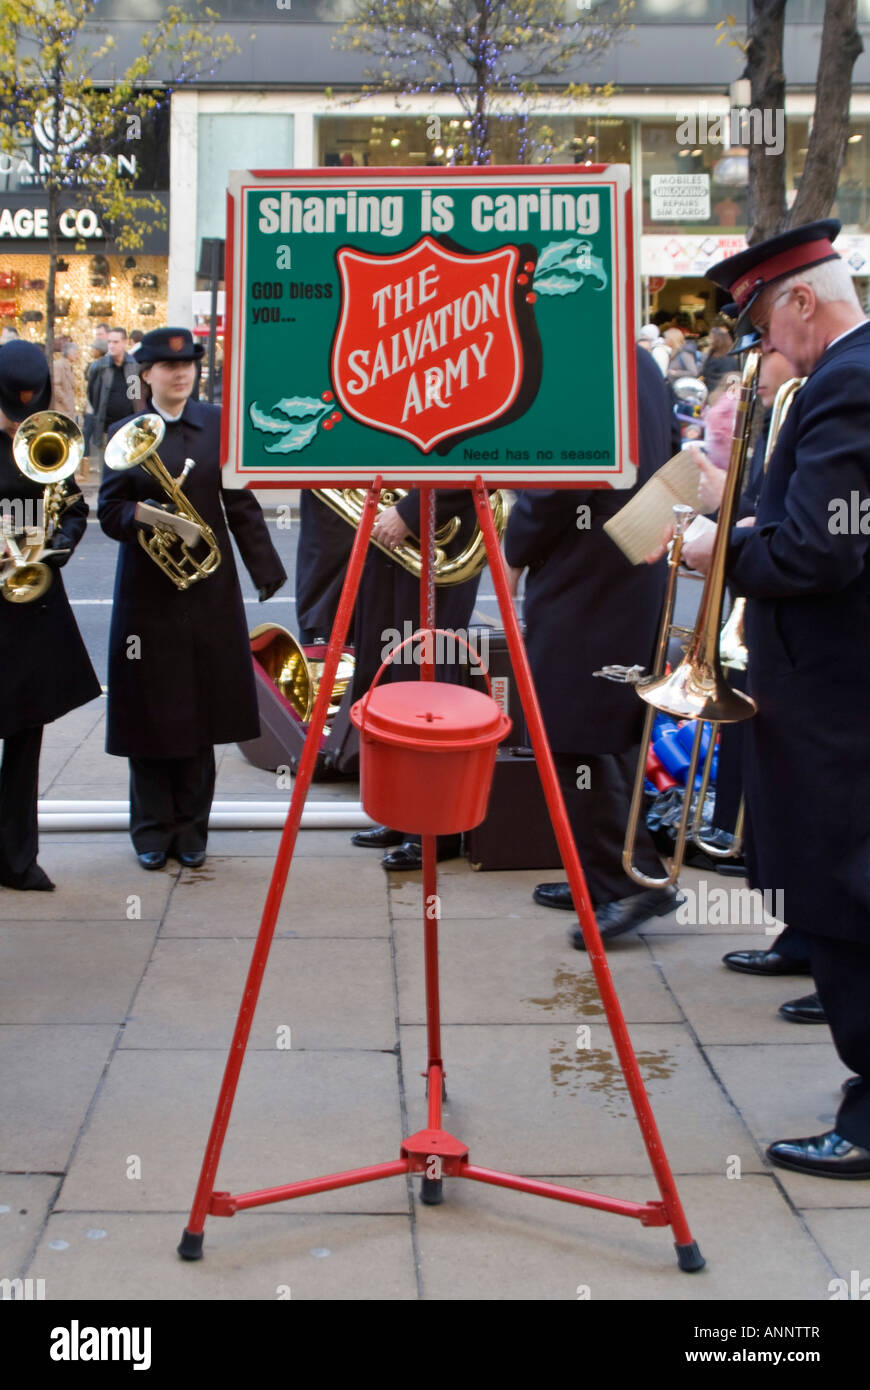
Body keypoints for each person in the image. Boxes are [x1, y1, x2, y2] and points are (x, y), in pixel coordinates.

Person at [682, 219, 870, 1177]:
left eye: (761, 320)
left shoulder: (844, 380)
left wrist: (721, 549)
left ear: (802, 299)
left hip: (837, 698)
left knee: (844, 900)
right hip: (842, 687)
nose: (758, 344)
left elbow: (818, 552)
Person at [504, 347, 679, 946]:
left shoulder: (588, 362)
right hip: (626, 560)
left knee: (575, 730)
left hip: (590, 573)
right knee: (610, 726)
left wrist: (514, 551)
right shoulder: (641, 361)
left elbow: (559, 480)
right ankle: (613, 873)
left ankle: (623, 886)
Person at [98, 327, 287, 870]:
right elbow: (110, 512)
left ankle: (192, 829)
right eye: (168, 367)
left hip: (208, 590)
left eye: (189, 367)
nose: (181, 374)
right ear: (148, 373)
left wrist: (265, 569)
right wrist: (150, 517)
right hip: (148, 595)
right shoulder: (124, 433)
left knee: (201, 710)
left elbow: (240, 503)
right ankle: (152, 830)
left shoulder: (218, 427)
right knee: (150, 712)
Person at [0, 341, 101, 890]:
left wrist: (56, 545)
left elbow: (76, 507)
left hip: (30, 603)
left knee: (25, 735)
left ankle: (17, 859)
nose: (19, 423)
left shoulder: (47, 437)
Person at [349, 488, 482, 871]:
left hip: (442, 539)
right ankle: (403, 815)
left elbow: (466, 458)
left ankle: (433, 831)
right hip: (395, 541)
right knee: (387, 682)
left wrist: (410, 510)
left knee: (427, 693)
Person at [89, 327, 142, 459]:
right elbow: (92, 394)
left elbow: (135, 397)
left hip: (128, 430)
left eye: (116, 342)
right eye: (109, 342)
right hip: (106, 428)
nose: (111, 346)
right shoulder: (100, 367)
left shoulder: (134, 366)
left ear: (124, 342)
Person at [700, 320, 739, 393]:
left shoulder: (728, 359)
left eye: (711, 338)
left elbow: (727, 380)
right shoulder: (711, 354)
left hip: (719, 395)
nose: (710, 340)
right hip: (709, 393)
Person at [51, 339, 79, 419]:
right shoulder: (58, 365)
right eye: (75, 353)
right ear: (69, 353)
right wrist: (65, 400)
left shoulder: (69, 366)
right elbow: (55, 386)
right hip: (61, 408)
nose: (77, 356)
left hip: (68, 409)